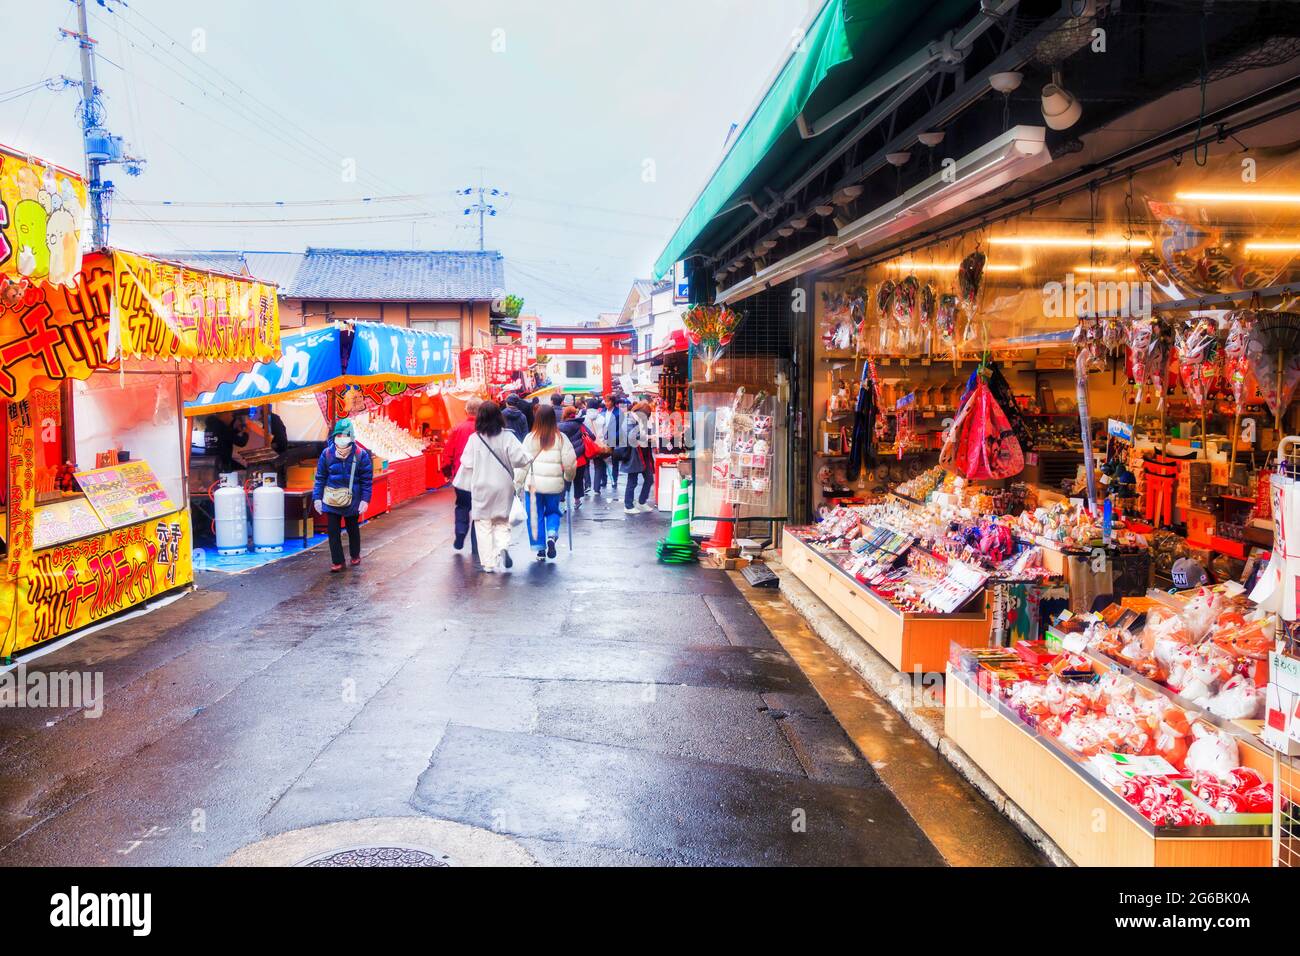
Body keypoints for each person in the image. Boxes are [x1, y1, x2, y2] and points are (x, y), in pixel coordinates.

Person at [452, 400, 530, 572]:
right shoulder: (508, 436)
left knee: (483, 523)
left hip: (481, 485)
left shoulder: (474, 439)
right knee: (501, 520)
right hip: (503, 485)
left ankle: (488, 563)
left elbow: (466, 462)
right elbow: (521, 459)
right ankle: (502, 547)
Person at [312, 418, 374, 572]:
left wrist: (365, 500)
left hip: (352, 499)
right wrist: (317, 498)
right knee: (333, 531)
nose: (341, 439)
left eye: (345, 435)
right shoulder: (326, 454)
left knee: (353, 528)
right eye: (338, 435)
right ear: (334, 437)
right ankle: (338, 561)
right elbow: (320, 478)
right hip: (332, 499)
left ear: (351, 437)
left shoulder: (361, 455)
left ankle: (355, 555)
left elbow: (367, 480)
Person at [518, 404, 577, 560]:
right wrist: (569, 478)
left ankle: (540, 549)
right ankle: (551, 534)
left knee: (535, 516)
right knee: (553, 511)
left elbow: (522, 464)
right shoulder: (561, 438)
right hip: (554, 485)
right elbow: (570, 462)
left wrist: (516, 485)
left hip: (533, 486)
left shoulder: (529, 439)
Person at [446, 396, 482, 550]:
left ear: (467, 410)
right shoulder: (485, 430)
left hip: (461, 476)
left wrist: (448, 472)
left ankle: (460, 532)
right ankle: (476, 543)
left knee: (462, 506)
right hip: (482, 475)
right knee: (480, 510)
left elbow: (448, 453)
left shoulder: (457, 429)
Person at [623, 401, 656, 514]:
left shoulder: (638, 419)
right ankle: (628, 505)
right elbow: (631, 436)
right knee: (632, 481)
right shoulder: (629, 419)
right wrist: (648, 437)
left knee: (649, 478)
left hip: (643, 452)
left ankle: (641, 502)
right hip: (634, 453)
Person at [558, 406, 588, 504]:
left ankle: (562, 502)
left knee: (564, 481)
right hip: (580, 459)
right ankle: (577, 500)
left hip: (565, 458)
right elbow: (591, 436)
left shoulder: (558, 427)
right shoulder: (580, 425)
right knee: (578, 480)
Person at [603, 395, 628, 495]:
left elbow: (622, 428)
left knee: (614, 462)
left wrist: (612, 436)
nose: (606, 403)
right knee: (602, 460)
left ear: (613, 402)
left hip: (615, 440)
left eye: (608, 401)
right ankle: (603, 480)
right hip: (604, 439)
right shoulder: (603, 412)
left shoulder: (619, 413)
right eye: (605, 401)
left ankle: (614, 480)